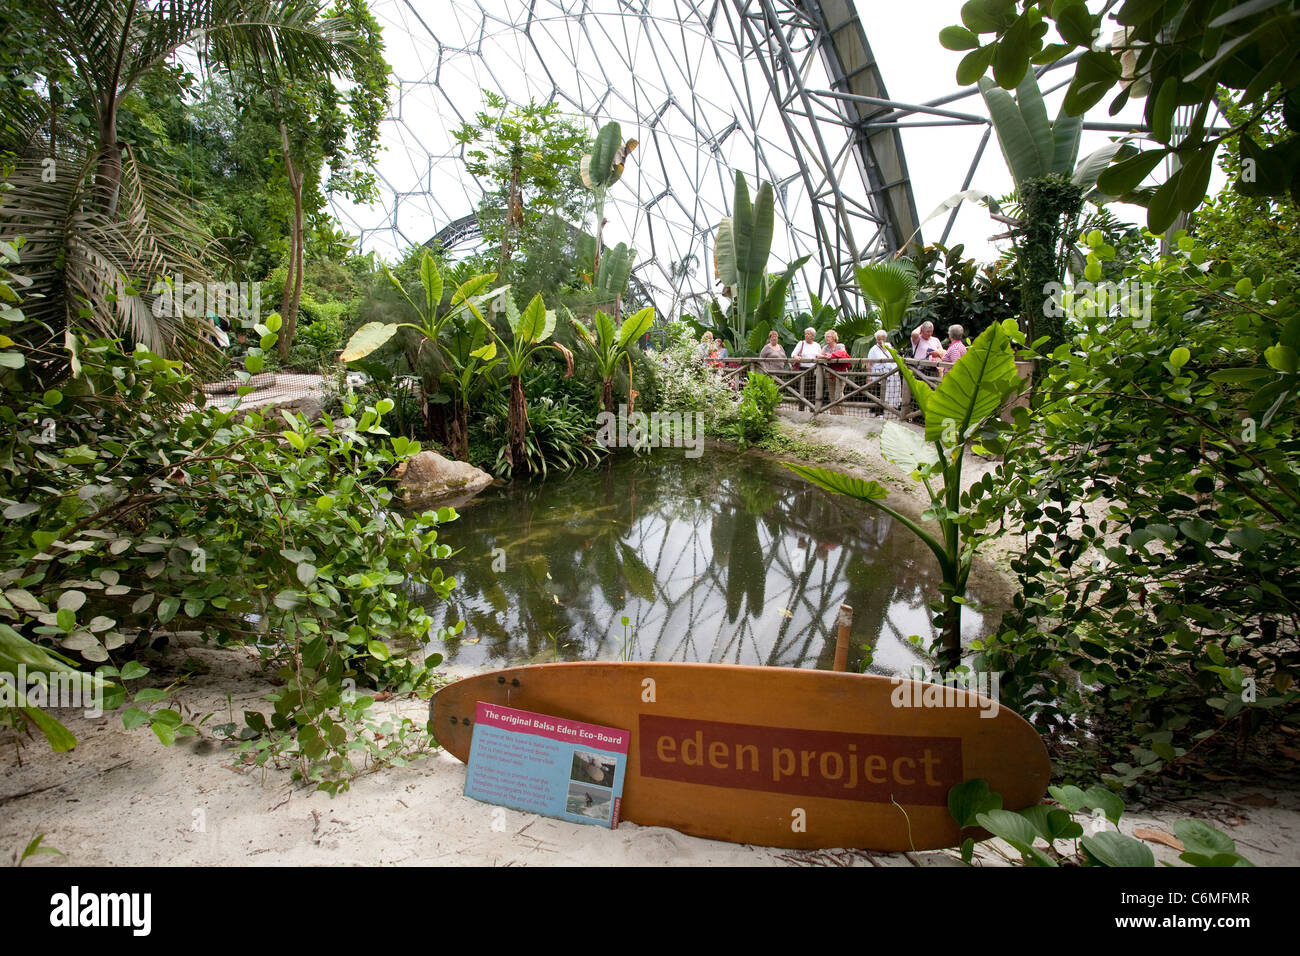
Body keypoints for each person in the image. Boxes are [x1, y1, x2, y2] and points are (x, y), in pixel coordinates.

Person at [867, 329, 902, 413]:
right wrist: (868, 376)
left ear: (885, 338)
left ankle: (893, 408)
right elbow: (869, 363)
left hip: (892, 373)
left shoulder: (889, 346)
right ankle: (879, 412)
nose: (880, 341)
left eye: (882, 339)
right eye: (878, 339)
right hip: (879, 375)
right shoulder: (873, 349)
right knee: (879, 393)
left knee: (892, 391)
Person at [790, 327, 821, 405]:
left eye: (808, 334)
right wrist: (796, 357)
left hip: (814, 369)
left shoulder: (817, 345)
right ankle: (801, 408)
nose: (806, 335)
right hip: (803, 369)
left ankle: (812, 408)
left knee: (813, 389)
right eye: (806, 334)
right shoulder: (801, 343)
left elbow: (820, 355)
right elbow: (793, 354)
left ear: (813, 336)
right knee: (802, 390)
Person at [822, 330, 851, 414]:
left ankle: (841, 414)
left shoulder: (840, 345)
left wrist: (832, 356)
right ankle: (833, 413)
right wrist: (825, 356)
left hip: (840, 373)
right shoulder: (825, 347)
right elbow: (818, 355)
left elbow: (843, 352)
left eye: (828, 336)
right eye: (826, 337)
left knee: (838, 394)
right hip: (829, 373)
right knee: (831, 394)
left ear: (834, 338)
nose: (826, 338)